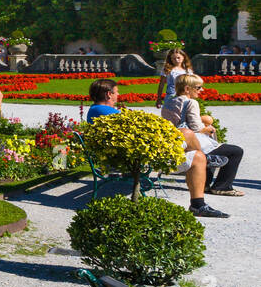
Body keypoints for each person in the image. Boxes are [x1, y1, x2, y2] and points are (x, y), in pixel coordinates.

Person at [87, 79, 228, 217]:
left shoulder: (99, 110)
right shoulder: (101, 110)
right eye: (116, 92)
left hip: (136, 153)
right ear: (108, 94)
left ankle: (198, 204)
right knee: (189, 137)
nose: (118, 95)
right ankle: (207, 164)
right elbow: (136, 126)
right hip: (138, 156)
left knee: (195, 150)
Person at [163, 74, 243, 196]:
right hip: (191, 143)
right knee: (236, 151)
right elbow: (196, 128)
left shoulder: (169, 102)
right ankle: (222, 186)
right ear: (187, 89)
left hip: (177, 144)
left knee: (213, 150)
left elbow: (178, 122)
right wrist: (208, 128)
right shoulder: (191, 102)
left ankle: (205, 184)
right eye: (198, 87)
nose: (202, 90)